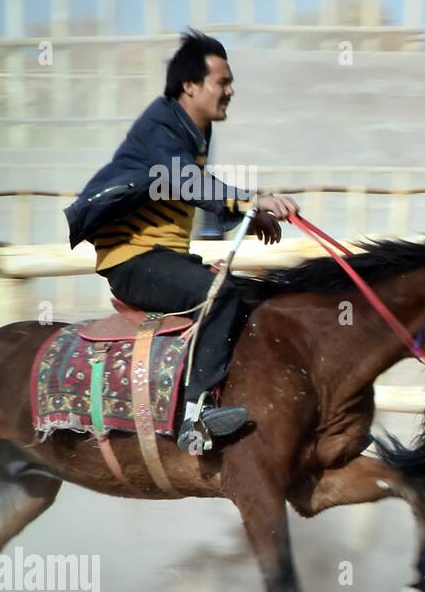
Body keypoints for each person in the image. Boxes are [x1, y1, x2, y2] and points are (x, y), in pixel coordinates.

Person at [64, 29, 299, 453]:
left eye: (230, 82)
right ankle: (196, 419)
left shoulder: (195, 131)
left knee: (246, 297)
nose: (230, 91)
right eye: (222, 82)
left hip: (163, 255)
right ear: (190, 87)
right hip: (133, 260)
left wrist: (249, 212)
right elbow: (182, 180)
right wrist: (250, 200)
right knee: (219, 293)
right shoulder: (162, 126)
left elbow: (196, 192)